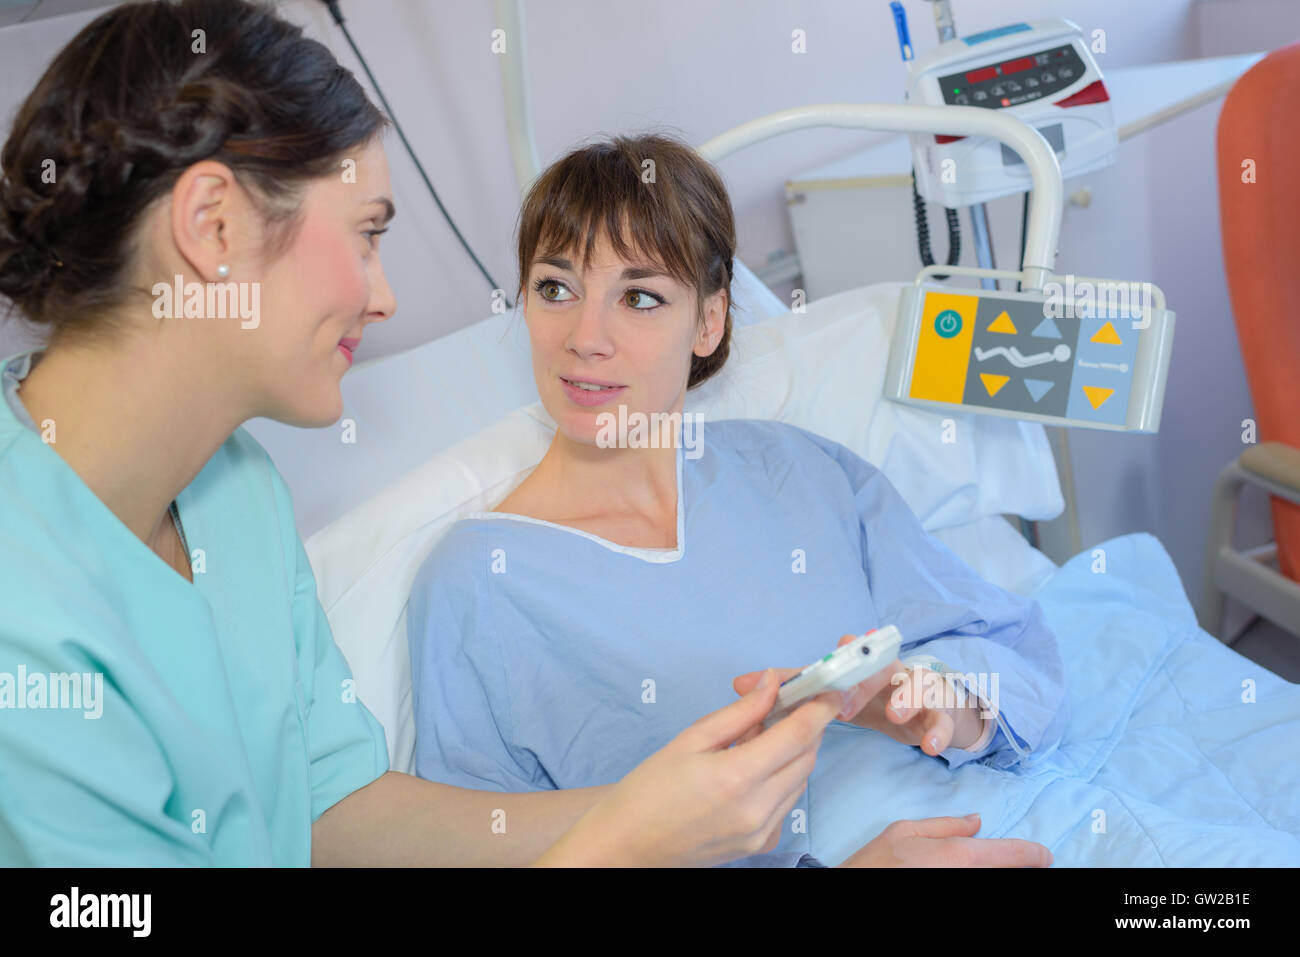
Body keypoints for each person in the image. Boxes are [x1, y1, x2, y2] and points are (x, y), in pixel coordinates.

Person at [0, 0, 1042, 868]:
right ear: (214, 227)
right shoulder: (25, 613)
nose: (386, 295)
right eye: (366, 235)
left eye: (642, 298)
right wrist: (618, 845)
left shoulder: (234, 492)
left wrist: (655, 811)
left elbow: (333, 806)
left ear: (710, 319)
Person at [407, 134, 1069, 866]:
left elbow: (1015, 654)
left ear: (710, 321)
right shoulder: (478, 584)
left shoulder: (798, 468)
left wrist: (935, 706)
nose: (584, 338)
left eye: (639, 297)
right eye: (556, 288)